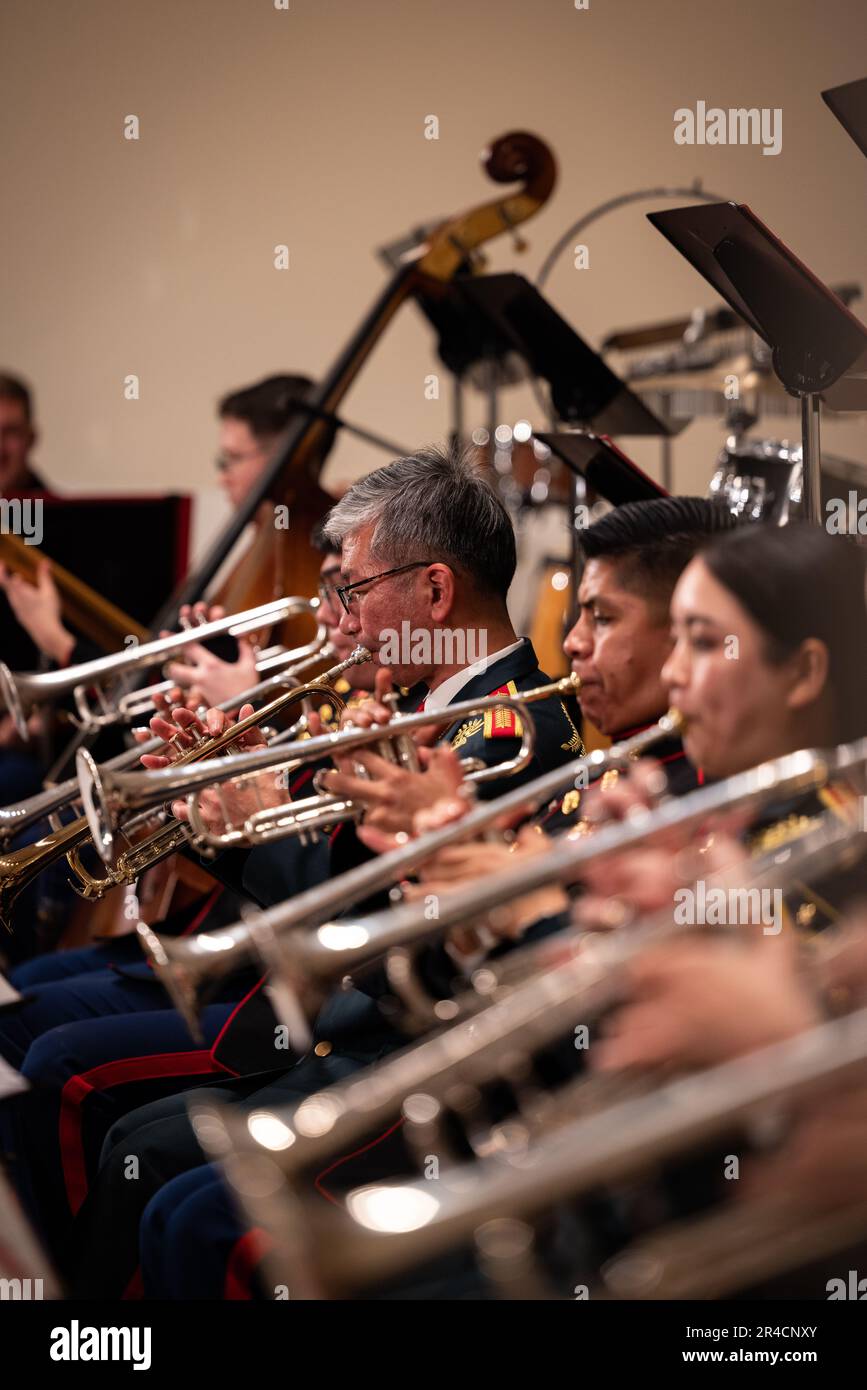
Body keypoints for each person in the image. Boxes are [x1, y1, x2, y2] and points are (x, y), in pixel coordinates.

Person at [68, 494, 740, 1298]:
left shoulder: (513, 738)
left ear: (433, 593)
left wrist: (273, 831)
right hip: (381, 1037)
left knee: (164, 1178)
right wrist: (235, 816)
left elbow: (395, 937)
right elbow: (366, 905)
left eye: (352, 589)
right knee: (149, 1160)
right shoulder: (495, 738)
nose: (337, 620)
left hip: (449, 1081)